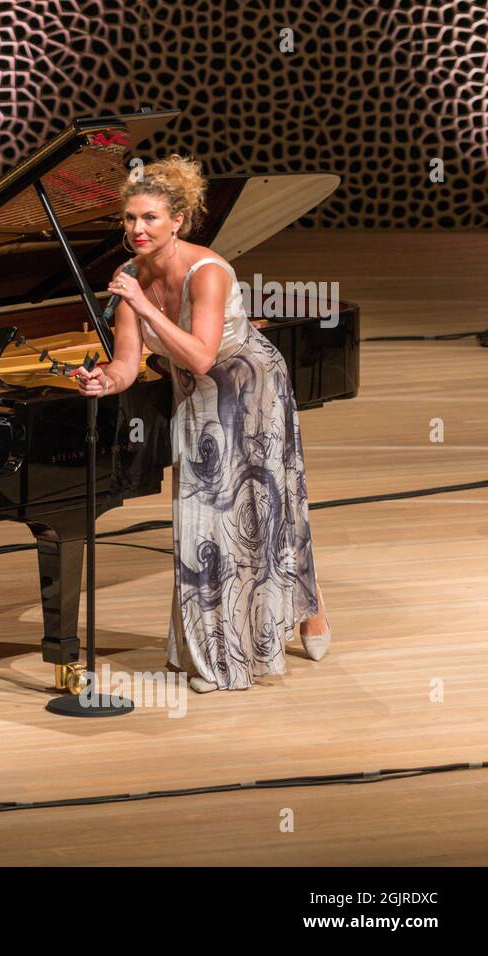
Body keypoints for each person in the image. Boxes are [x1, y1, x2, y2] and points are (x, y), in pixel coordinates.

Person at [72, 155, 331, 693]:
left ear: (178, 221)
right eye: (128, 219)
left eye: (149, 218)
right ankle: (215, 653)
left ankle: (309, 605)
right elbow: (126, 362)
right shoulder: (128, 278)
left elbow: (200, 356)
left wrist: (144, 305)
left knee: (266, 506)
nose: (136, 229)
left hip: (251, 387)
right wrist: (103, 381)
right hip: (197, 398)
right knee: (204, 516)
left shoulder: (208, 271)